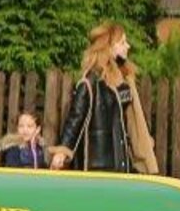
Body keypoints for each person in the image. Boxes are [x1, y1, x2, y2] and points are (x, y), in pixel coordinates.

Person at [51, 22, 159, 175]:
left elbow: (130, 125)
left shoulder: (124, 81)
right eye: (122, 42)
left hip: (121, 166)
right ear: (108, 47)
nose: (127, 46)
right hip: (98, 169)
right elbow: (75, 118)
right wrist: (62, 152)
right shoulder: (90, 83)